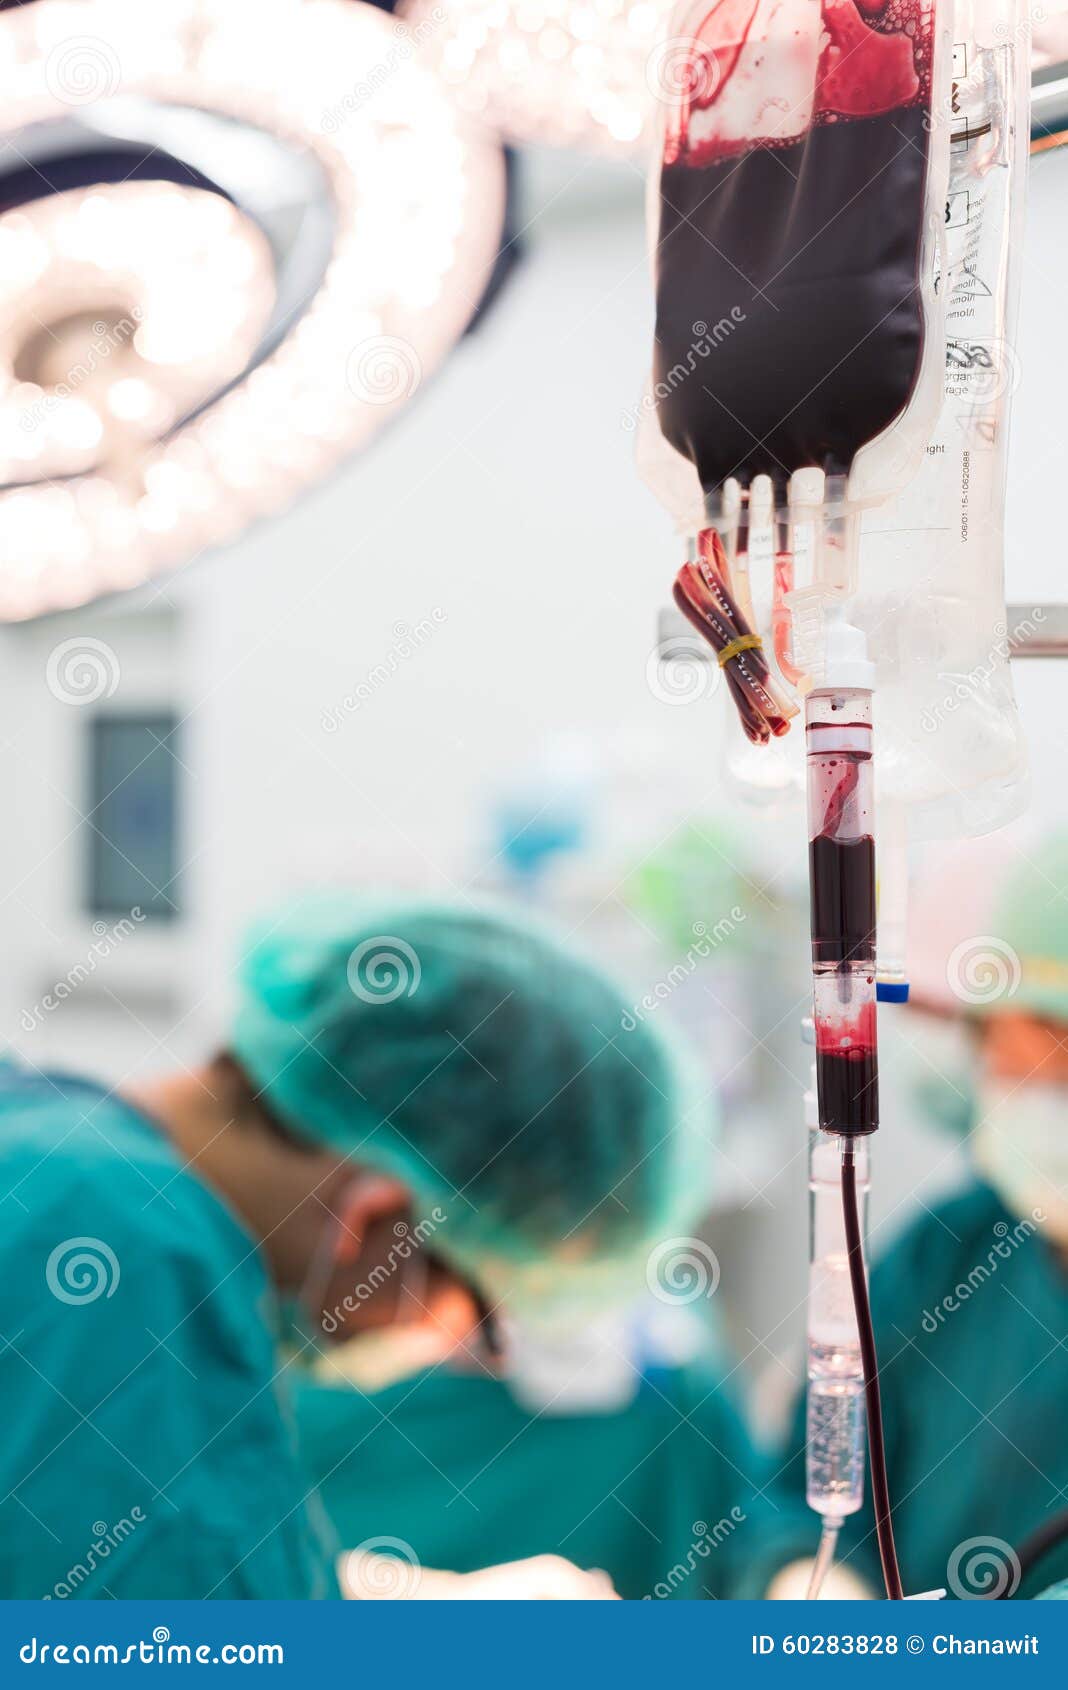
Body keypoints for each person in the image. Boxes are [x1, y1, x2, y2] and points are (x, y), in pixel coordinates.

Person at [0, 895, 707, 1599]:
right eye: (480, 1320)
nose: (443, 1352)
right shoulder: (142, 1261)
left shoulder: (52, 1153)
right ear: (376, 1218)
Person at [767, 836, 1068, 1599]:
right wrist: (810, 1577)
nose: (1040, 1079)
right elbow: (785, 1502)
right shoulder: (953, 1255)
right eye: (1018, 1043)